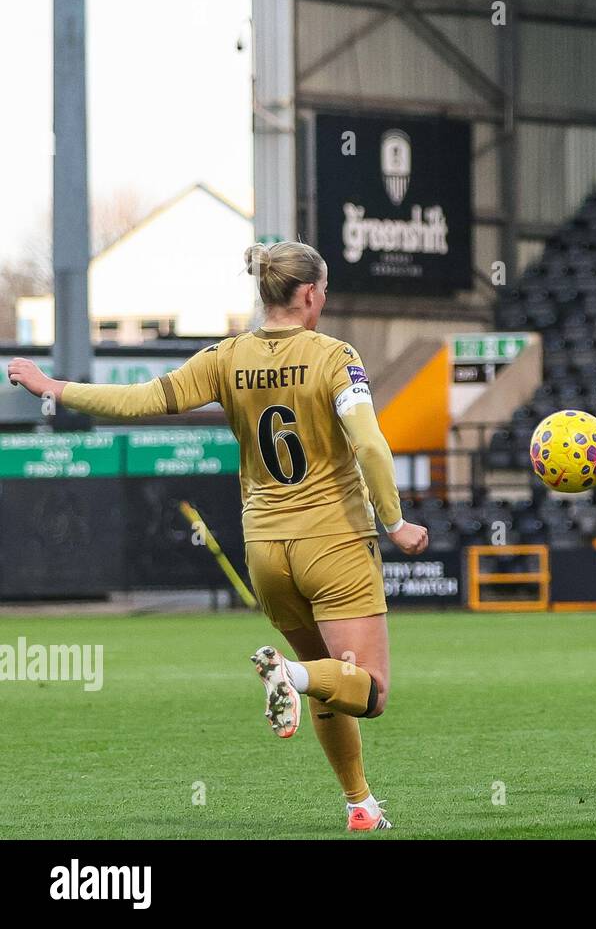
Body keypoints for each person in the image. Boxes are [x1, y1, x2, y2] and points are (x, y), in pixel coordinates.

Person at [7, 241, 429, 831]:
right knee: (370, 689)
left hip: (264, 551)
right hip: (332, 540)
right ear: (310, 294)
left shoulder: (225, 357)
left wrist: (56, 387)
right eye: (323, 291)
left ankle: (360, 803)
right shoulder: (335, 355)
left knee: (327, 678)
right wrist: (396, 522)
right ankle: (291, 677)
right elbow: (368, 444)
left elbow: (141, 401)